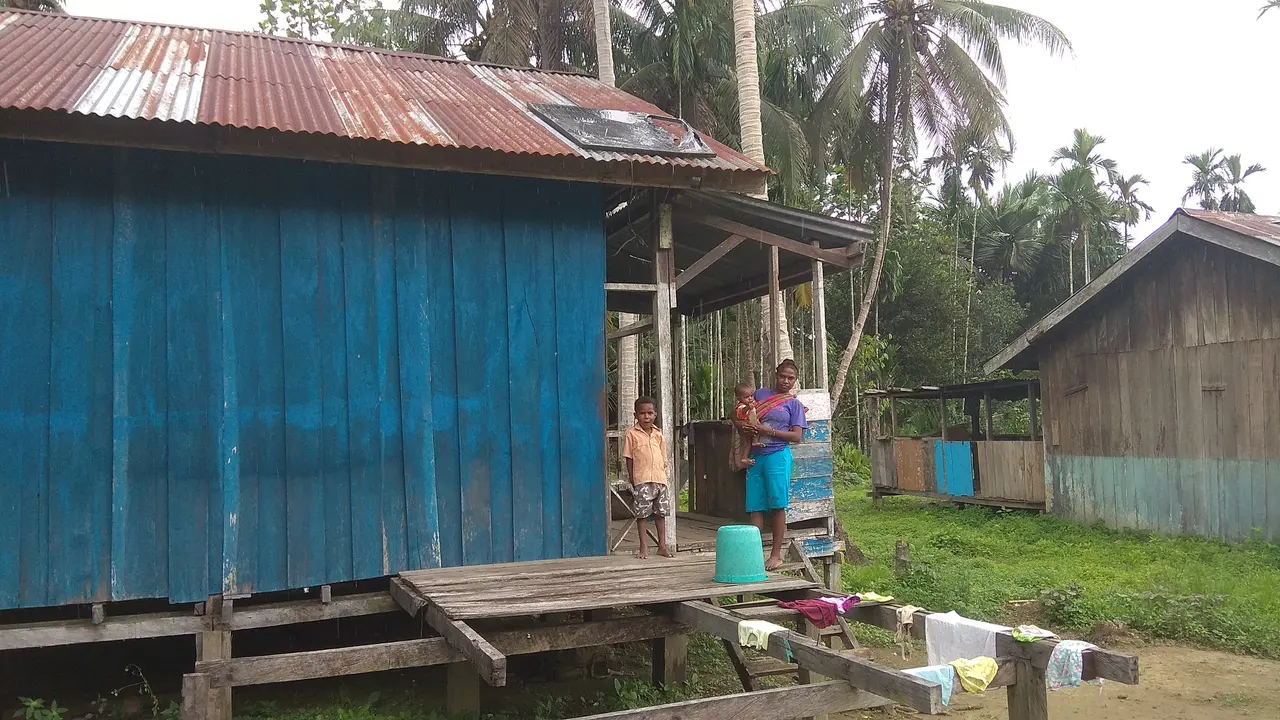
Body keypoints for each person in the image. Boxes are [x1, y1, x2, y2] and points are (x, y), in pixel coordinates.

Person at [734, 359, 807, 571]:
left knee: (777, 504)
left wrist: (768, 431)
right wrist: (742, 426)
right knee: (755, 506)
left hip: (777, 455)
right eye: (782, 376)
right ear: (776, 375)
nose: (786, 381)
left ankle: (776, 555)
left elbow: (796, 436)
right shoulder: (759, 395)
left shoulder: (793, 404)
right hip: (755, 456)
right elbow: (737, 413)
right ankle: (755, 555)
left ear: (795, 381)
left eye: (791, 378)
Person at [622, 396, 674, 559]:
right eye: (642, 413)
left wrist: (664, 475)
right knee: (642, 514)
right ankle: (643, 547)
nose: (646, 417)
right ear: (635, 415)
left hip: (659, 479)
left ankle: (662, 546)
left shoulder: (658, 434)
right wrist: (632, 479)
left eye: (650, 413)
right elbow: (629, 458)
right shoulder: (632, 434)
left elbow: (664, 457)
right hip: (642, 479)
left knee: (660, 513)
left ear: (655, 414)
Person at [730, 382, 766, 471]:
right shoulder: (741, 406)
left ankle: (746, 455)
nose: (750, 398)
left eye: (751, 396)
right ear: (739, 398)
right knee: (749, 442)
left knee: (749, 443)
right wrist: (748, 408)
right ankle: (745, 456)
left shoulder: (750, 403)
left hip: (751, 425)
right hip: (748, 426)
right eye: (746, 397)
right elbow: (741, 412)